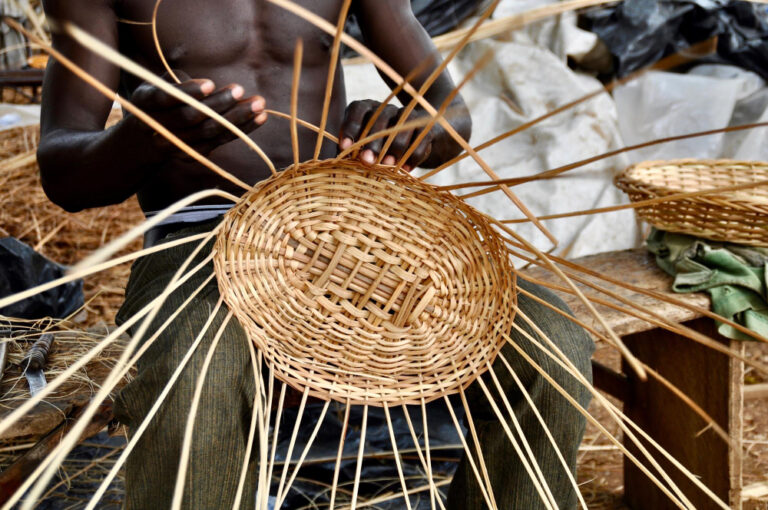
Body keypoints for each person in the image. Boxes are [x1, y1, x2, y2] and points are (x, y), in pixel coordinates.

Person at [37, 1, 594, 508]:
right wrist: (143, 137)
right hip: (201, 237)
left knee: (554, 343)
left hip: (344, 229)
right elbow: (62, 169)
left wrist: (409, 129)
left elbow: (451, 119)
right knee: (191, 374)